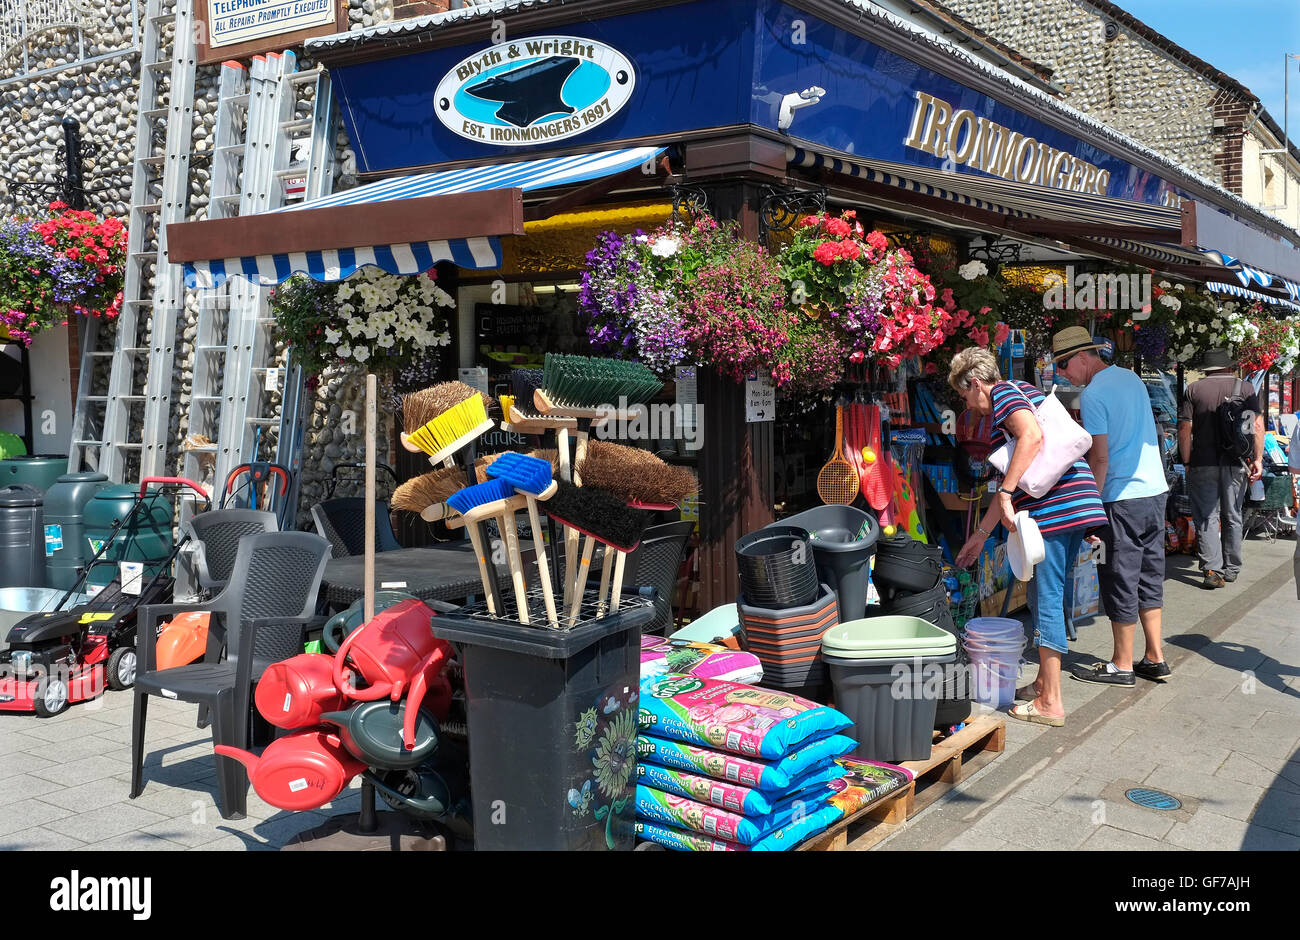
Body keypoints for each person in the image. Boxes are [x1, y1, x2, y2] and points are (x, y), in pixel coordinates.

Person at [950, 347, 1108, 727]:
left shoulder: (1003, 393)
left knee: (1046, 598)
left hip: (1058, 510)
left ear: (974, 382)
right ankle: (1042, 682)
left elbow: (1032, 437)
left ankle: (1051, 702)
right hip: (1074, 504)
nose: (967, 405)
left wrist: (1004, 494)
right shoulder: (1019, 391)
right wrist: (980, 536)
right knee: (1051, 593)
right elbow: (1016, 477)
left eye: (964, 396)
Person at [1052, 326, 1170, 685]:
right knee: (1150, 573)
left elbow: (1099, 459)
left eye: (1063, 366)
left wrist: (1092, 508)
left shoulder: (1093, 395)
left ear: (1081, 358)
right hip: (1154, 491)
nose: (1062, 374)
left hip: (1121, 497)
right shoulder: (1131, 378)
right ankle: (1154, 655)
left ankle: (1122, 663)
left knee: (1119, 575)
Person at [1176, 349, 1265, 589]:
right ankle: (1232, 568)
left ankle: (1212, 569)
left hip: (1202, 462)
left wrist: (1186, 461)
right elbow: (1257, 425)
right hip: (1236, 462)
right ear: (1229, 366)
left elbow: (1184, 429)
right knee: (1232, 514)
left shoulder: (1194, 389)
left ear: (1206, 368)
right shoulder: (1245, 389)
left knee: (1206, 516)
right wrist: (1257, 458)